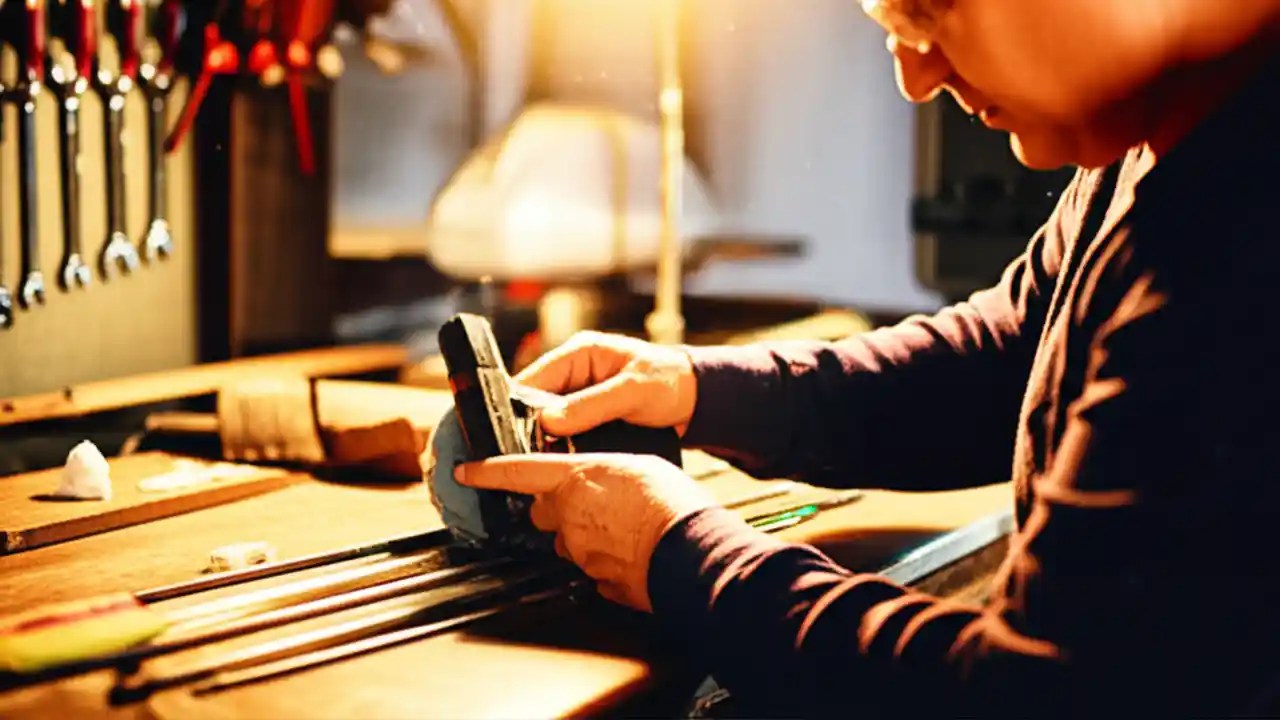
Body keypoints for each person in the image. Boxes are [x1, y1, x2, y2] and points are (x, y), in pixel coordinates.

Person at [432, 1, 1280, 715]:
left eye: (930, 8)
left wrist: (683, 553)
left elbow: (1032, 696)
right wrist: (696, 388)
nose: (915, 78)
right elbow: (1011, 354)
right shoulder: (1166, 129)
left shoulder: (1241, 244)